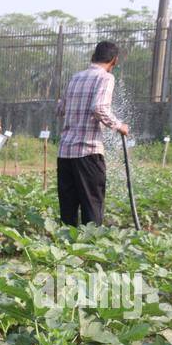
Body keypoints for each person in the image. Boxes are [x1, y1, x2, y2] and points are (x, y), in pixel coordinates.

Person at [55, 40, 130, 226]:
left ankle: (66, 249)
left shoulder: (76, 78)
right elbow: (99, 108)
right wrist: (119, 125)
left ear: (93, 56)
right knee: (92, 206)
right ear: (114, 60)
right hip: (88, 152)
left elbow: (60, 109)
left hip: (65, 152)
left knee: (68, 210)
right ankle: (90, 250)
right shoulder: (105, 78)